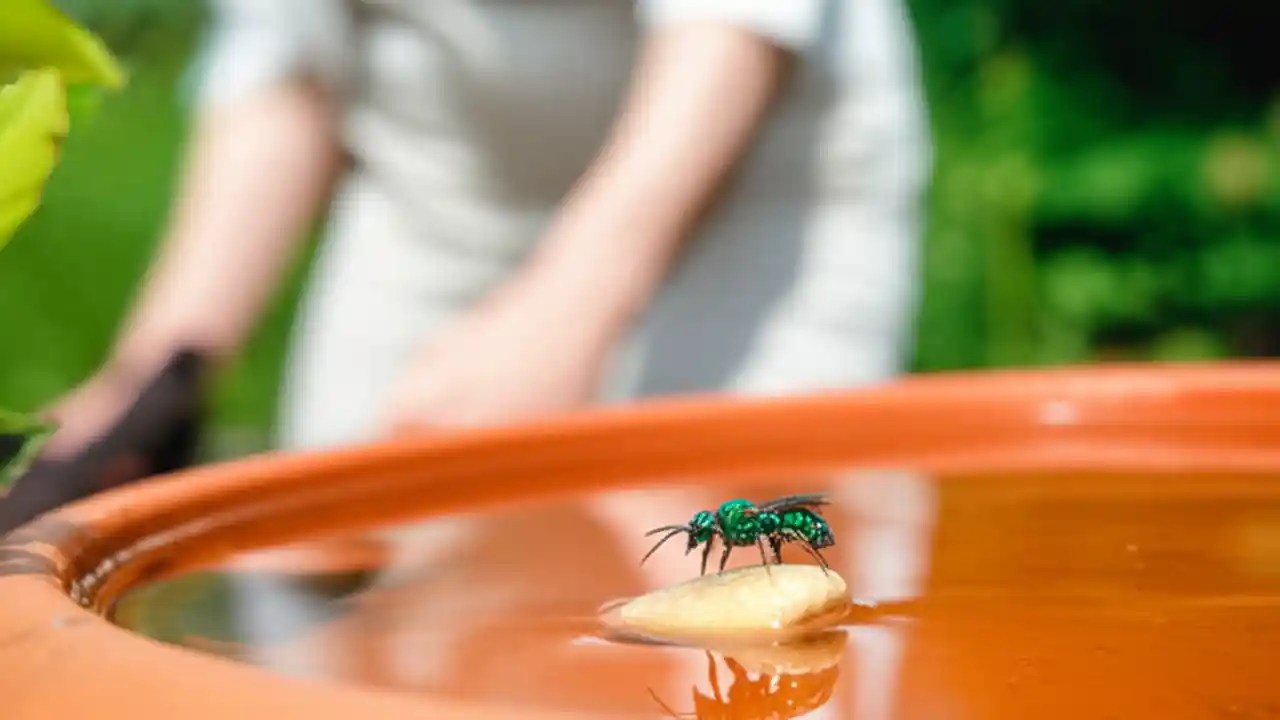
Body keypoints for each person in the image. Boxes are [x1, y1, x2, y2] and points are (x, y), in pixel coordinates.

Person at [0, 0, 930, 533]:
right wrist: (151, 382)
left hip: (751, 177)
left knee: (713, 573)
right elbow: (289, 67)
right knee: (356, 557)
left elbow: (732, 22)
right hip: (440, 188)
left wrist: (572, 303)